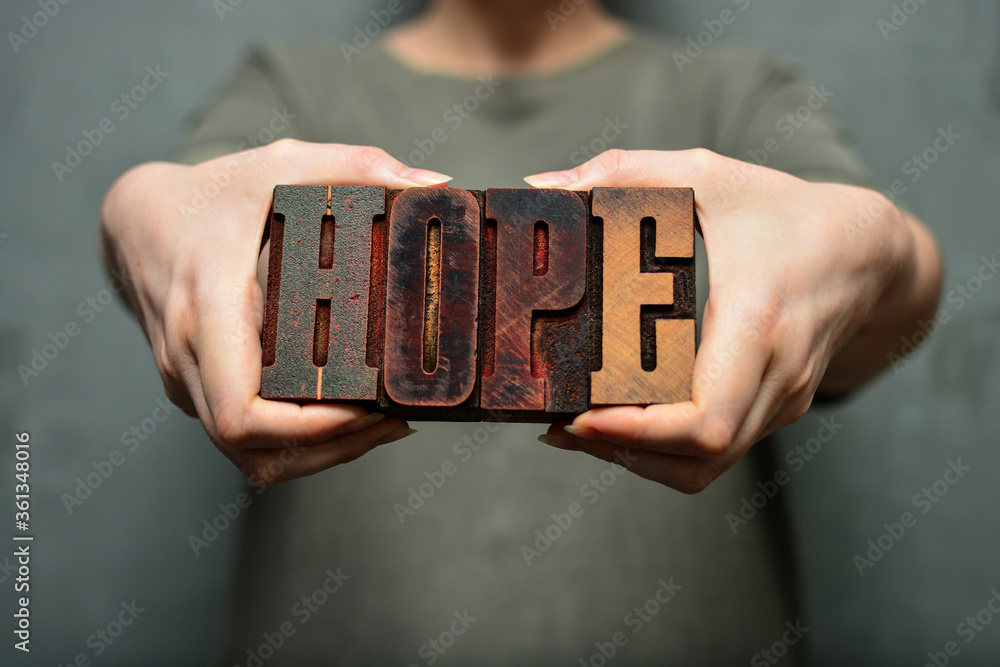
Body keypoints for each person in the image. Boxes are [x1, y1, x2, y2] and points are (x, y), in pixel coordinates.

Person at [100, 0, 941, 663]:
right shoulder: (286, 84)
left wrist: (884, 253)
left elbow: (882, 302)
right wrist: (133, 216)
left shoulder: (737, 90)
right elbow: (184, 224)